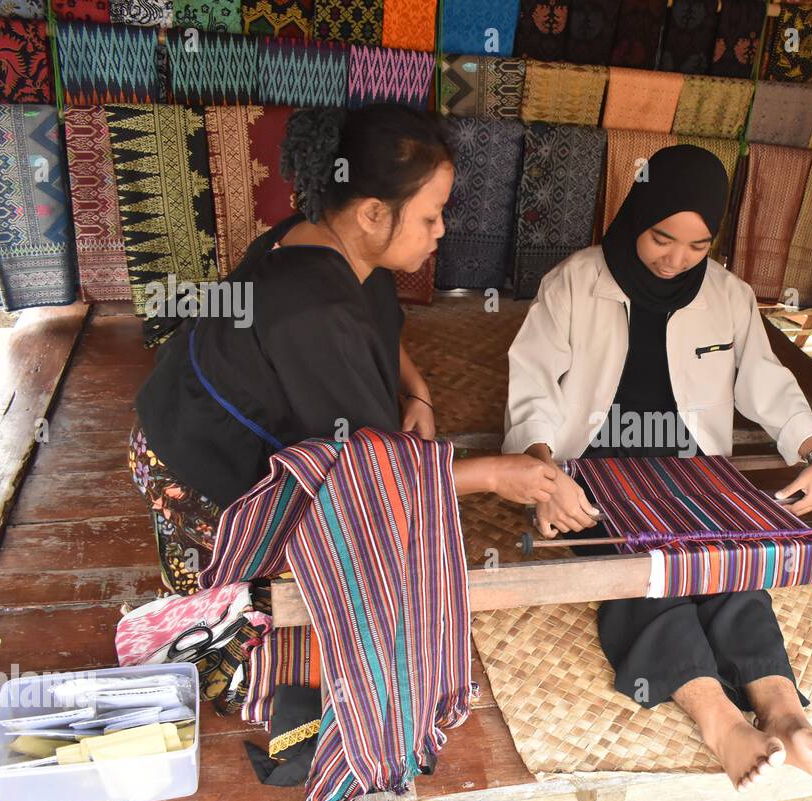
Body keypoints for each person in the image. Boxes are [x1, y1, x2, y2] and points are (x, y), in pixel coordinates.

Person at [504, 145, 812, 791]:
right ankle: (717, 717)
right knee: (649, 571)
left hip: (694, 470)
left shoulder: (729, 295)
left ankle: (783, 709)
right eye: (662, 237)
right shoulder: (575, 281)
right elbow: (534, 383)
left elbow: (766, 382)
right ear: (638, 215)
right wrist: (542, 471)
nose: (675, 257)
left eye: (697, 245)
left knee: (732, 562)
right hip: (592, 471)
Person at [131, 105, 556, 594]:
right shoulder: (314, 312)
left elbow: (376, 325)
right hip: (193, 469)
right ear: (373, 213)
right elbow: (366, 478)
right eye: (430, 217)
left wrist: (416, 389)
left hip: (180, 405)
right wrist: (495, 474)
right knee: (302, 588)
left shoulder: (322, 239)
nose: (440, 231)